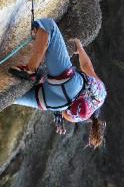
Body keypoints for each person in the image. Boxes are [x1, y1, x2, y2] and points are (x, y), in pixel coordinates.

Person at [10, 17, 107, 148]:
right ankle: (10, 95)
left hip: (71, 84)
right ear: (91, 121)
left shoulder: (101, 95)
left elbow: (87, 66)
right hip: (54, 102)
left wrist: (79, 46)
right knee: (12, 97)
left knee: (49, 27)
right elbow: (64, 113)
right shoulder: (78, 117)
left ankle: (31, 69)